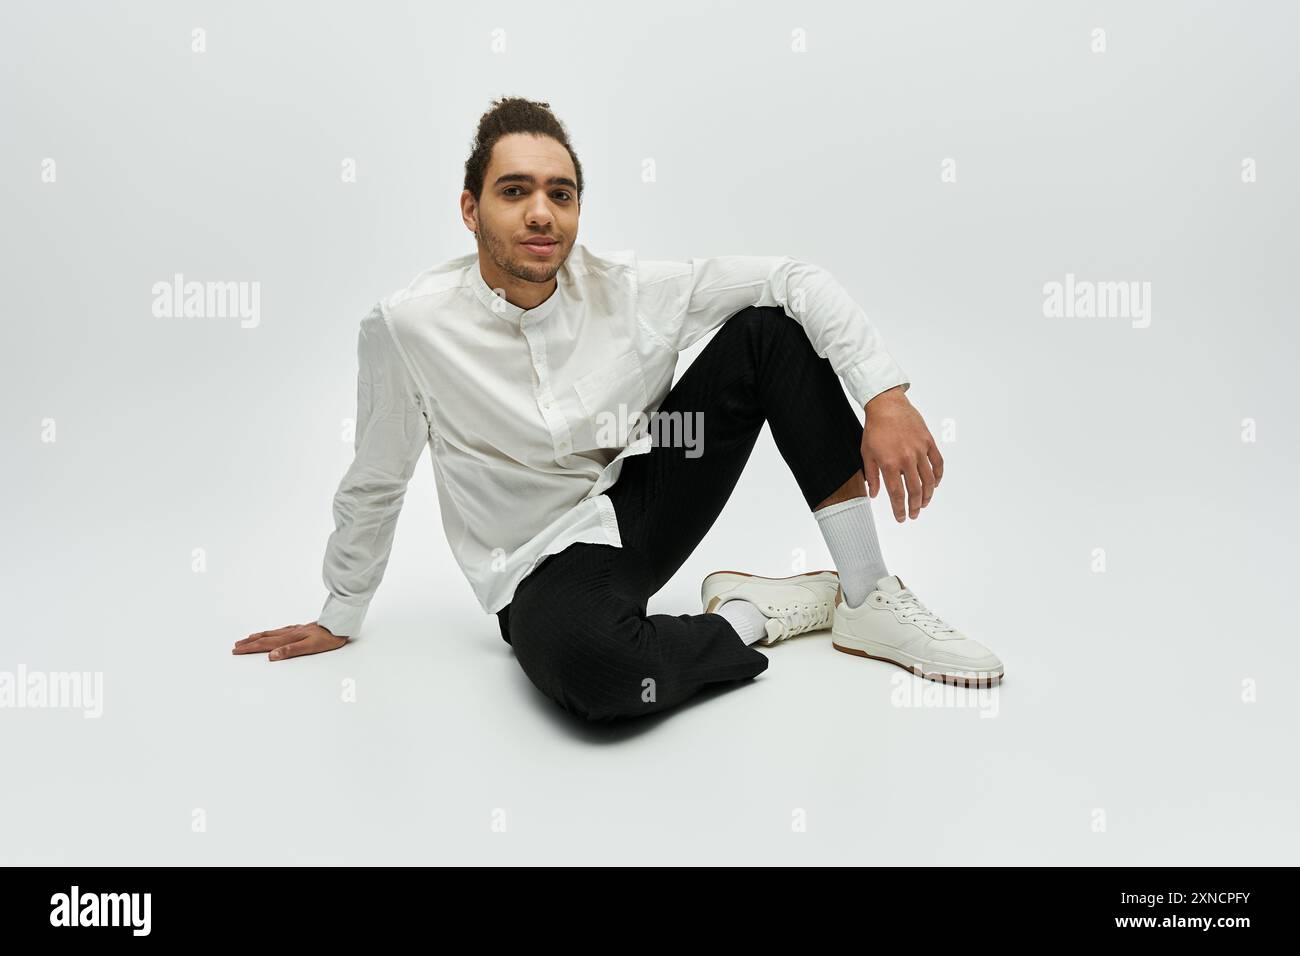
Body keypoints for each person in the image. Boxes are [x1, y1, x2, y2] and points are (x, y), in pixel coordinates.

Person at [234, 96, 1004, 719]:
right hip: (536, 571)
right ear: (470, 210)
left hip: (640, 500)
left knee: (770, 331)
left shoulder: (630, 290)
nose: (541, 213)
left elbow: (795, 275)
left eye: (559, 194)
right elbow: (377, 473)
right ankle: (758, 614)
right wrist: (342, 609)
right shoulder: (408, 326)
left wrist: (886, 394)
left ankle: (867, 594)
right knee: (601, 672)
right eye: (515, 191)